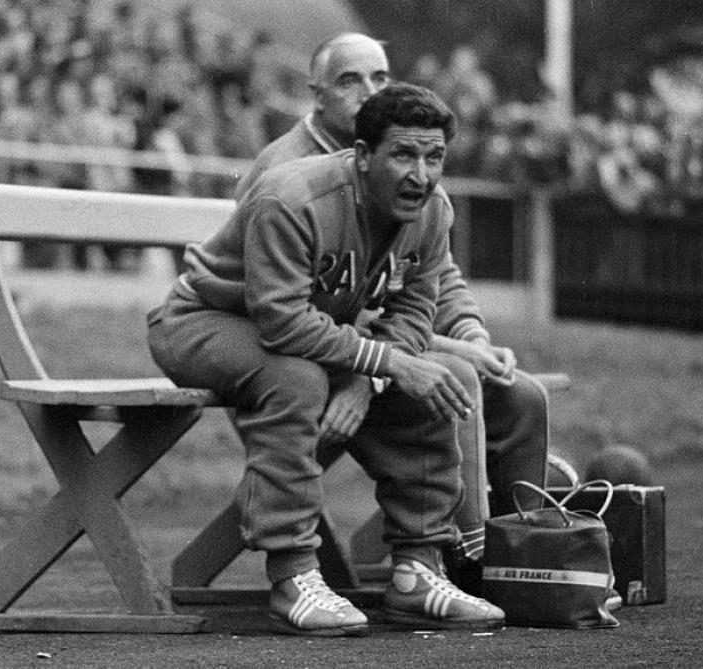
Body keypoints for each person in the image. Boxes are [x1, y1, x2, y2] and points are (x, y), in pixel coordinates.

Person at [147, 84, 505, 636]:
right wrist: (385, 362)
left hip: (312, 333)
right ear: (362, 156)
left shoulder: (433, 211)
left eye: (434, 157)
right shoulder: (292, 197)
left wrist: (373, 377)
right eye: (404, 155)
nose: (422, 174)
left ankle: (418, 569)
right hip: (203, 321)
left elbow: (413, 313)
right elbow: (280, 320)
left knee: (443, 375)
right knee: (295, 378)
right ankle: (292, 575)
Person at [232, 33, 549, 595]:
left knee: (521, 395)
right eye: (349, 80)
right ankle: (465, 557)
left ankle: (527, 553)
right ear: (318, 96)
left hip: (375, 335)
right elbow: (288, 304)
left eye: (379, 78)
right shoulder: (289, 171)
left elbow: (435, 272)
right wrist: (378, 371)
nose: (369, 91)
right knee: (458, 377)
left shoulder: (410, 158)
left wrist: (470, 332)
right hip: (290, 341)